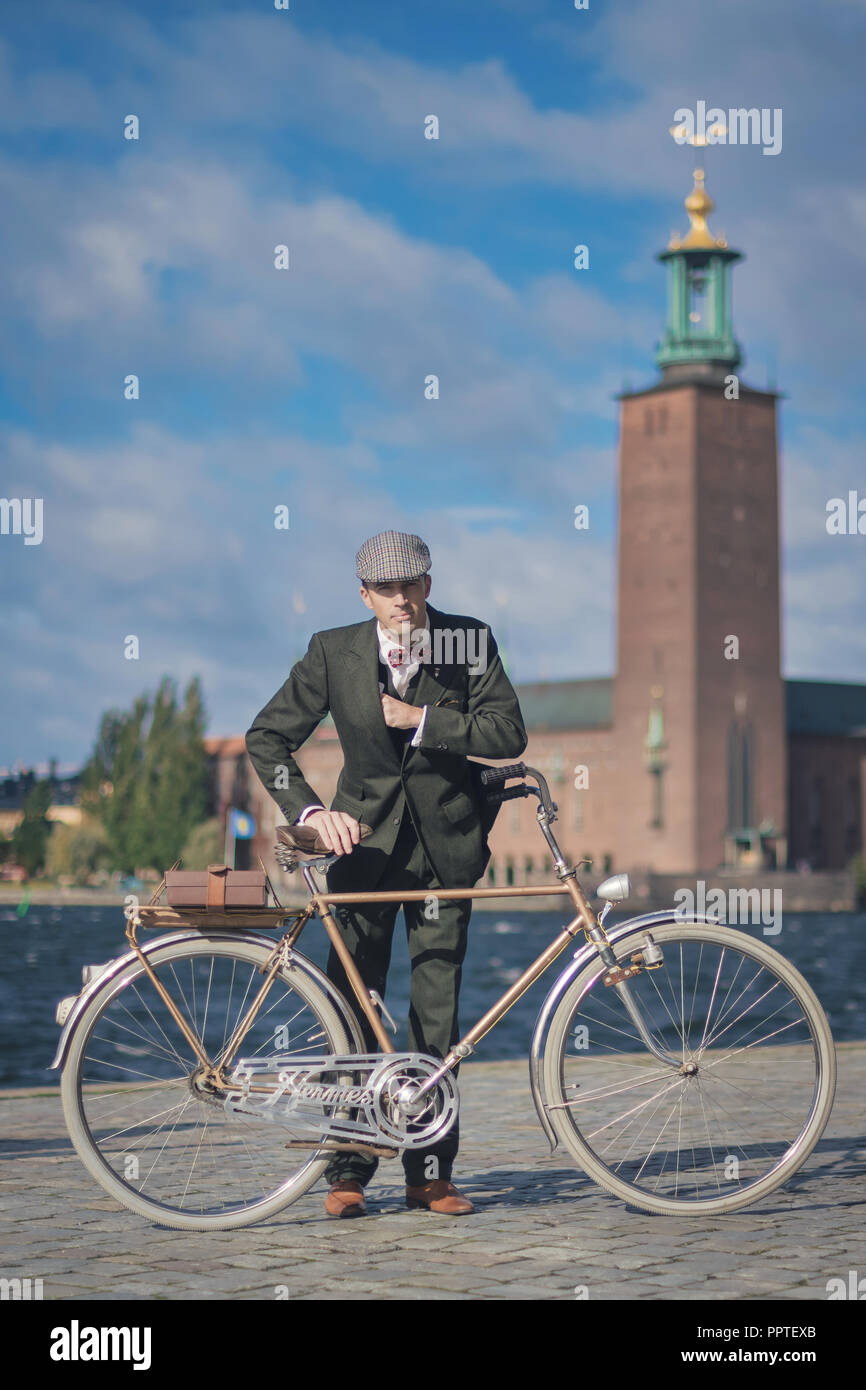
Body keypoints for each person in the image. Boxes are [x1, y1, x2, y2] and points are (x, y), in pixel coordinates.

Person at [245, 530, 527, 1217]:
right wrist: (312, 812)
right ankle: (347, 1169)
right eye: (386, 588)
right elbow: (267, 737)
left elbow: (507, 733)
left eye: (412, 584)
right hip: (360, 851)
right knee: (353, 1002)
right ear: (364, 594)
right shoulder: (331, 651)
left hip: (447, 854)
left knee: (436, 1011)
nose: (401, 599)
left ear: (429, 584)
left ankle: (430, 1173)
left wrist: (424, 719)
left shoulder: (470, 639)